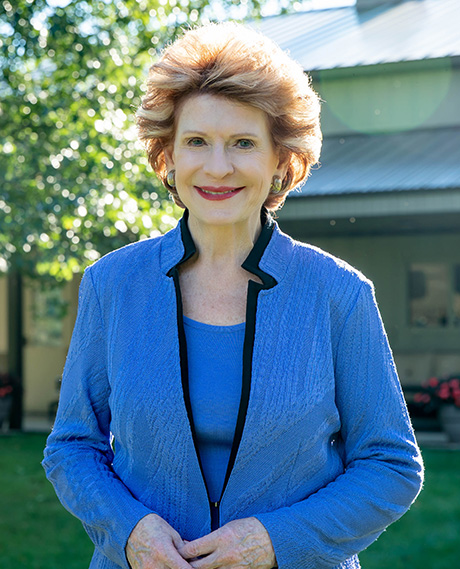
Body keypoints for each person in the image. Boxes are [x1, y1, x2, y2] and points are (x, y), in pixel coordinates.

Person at [42, 22, 424, 569]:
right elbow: (72, 446)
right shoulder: (111, 285)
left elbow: (391, 464)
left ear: (280, 159)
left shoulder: (340, 294)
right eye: (196, 141)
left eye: (243, 143)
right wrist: (127, 531)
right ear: (167, 154)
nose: (216, 167)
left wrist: (278, 539)